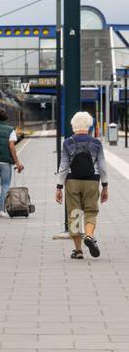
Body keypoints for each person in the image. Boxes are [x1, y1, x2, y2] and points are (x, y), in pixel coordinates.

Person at [56, 111, 109, 259]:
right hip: (92, 181)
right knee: (91, 212)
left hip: (72, 181)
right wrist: (105, 186)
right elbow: (103, 166)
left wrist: (59, 187)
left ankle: (78, 251)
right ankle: (89, 237)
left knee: (75, 214)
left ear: (73, 125)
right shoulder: (96, 143)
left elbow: (64, 166)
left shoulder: (67, 142)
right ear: (89, 125)